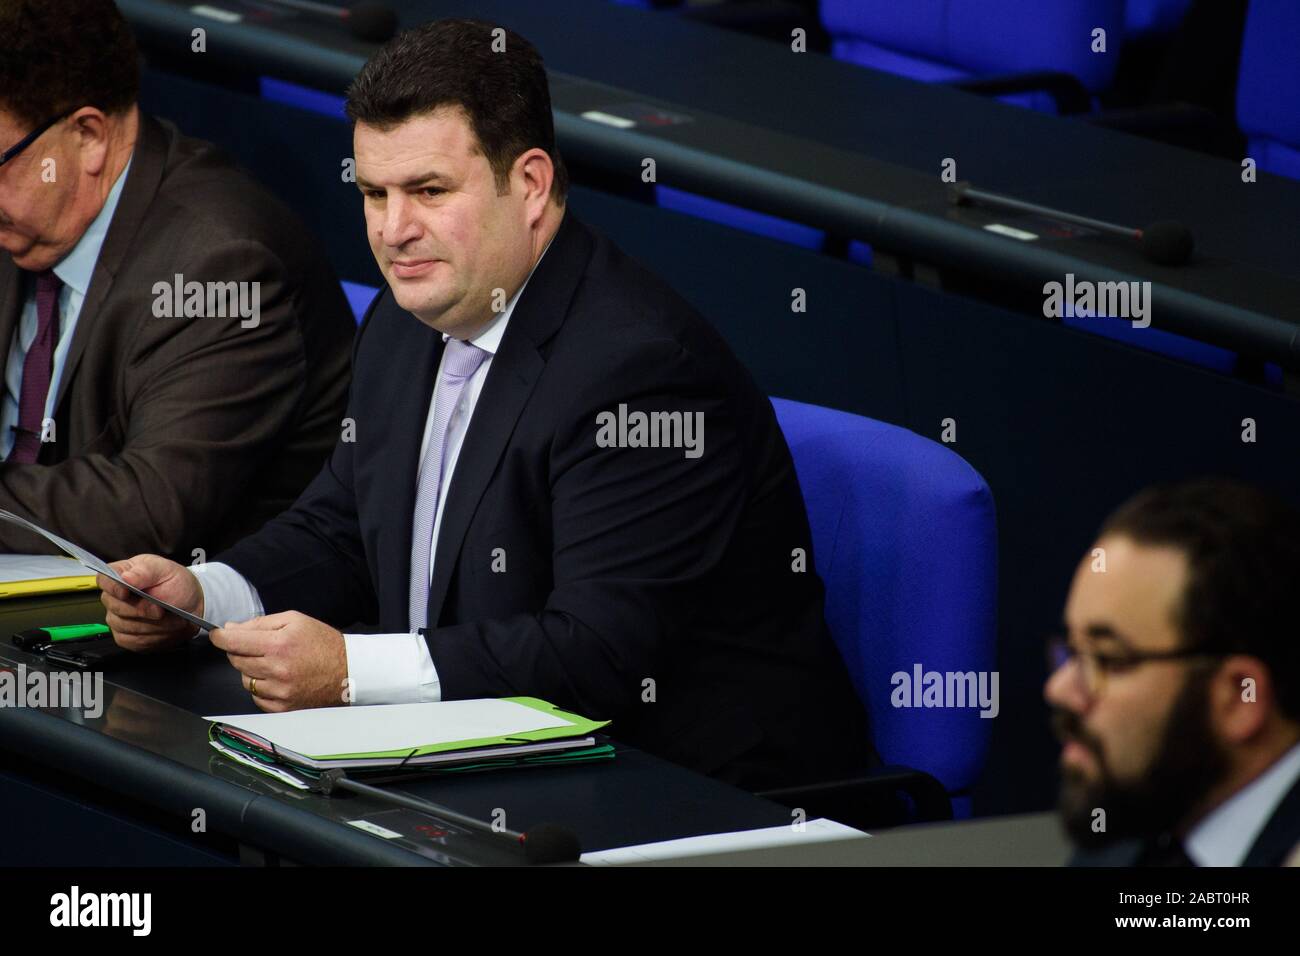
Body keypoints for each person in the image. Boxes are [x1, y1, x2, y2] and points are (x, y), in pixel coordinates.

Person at [97, 18, 875, 791]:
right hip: (488, 761)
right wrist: (207, 593)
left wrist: (349, 670)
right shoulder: (409, 321)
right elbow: (343, 529)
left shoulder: (641, 372)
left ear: (530, 184)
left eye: (429, 191)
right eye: (374, 193)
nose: (393, 230)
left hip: (690, 795)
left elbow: (595, 656)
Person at [0, 0, 356, 559]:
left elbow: (147, 509)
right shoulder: (28, 219)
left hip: (193, 627)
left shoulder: (223, 262)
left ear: (88, 136)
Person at [1046, 478, 1300, 866]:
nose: (1060, 689)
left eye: (1108, 659)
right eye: (1072, 652)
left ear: (1239, 696)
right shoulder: (1116, 852)